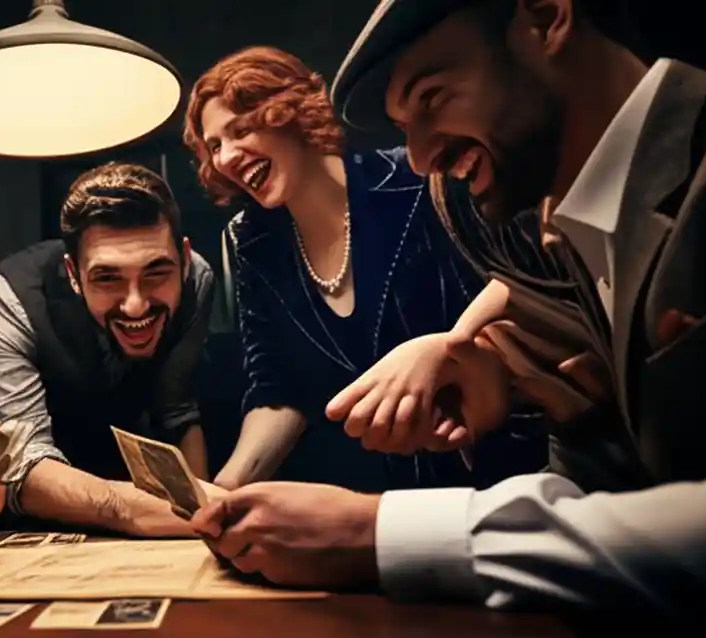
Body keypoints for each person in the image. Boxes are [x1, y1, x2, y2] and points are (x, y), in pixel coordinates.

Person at [194, 0, 706, 625]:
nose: (418, 160)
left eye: (432, 97)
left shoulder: (465, 196)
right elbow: (613, 482)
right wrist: (494, 370)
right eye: (211, 144)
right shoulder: (571, 219)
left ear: (547, 18)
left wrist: (381, 534)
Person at [182, 46, 547, 493]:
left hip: (519, 469)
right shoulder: (254, 243)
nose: (225, 158)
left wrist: (452, 344)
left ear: (289, 112)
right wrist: (225, 489)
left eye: (239, 131)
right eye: (214, 146)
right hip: (395, 501)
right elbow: (278, 390)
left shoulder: (420, 178)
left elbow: (533, 274)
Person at [0, 162, 218, 537]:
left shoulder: (197, 280)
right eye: (108, 278)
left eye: (156, 272)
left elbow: (178, 411)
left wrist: (208, 532)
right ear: (73, 273)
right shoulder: (11, 297)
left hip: (161, 513)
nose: (136, 305)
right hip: (50, 520)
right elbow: (20, 464)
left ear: (184, 260)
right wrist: (134, 508)